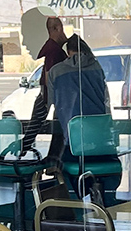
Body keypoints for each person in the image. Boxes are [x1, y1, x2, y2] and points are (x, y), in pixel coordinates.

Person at [46, 34, 111, 145]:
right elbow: (105, 99)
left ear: (68, 52)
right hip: (98, 131)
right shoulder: (97, 67)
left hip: (70, 132)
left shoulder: (56, 71)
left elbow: (48, 102)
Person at [20, 15, 67, 154]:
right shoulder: (55, 50)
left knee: (41, 128)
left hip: (52, 97)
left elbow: (49, 79)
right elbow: (49, 80)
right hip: (52, 97)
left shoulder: (55, 50)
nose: (24, 42)